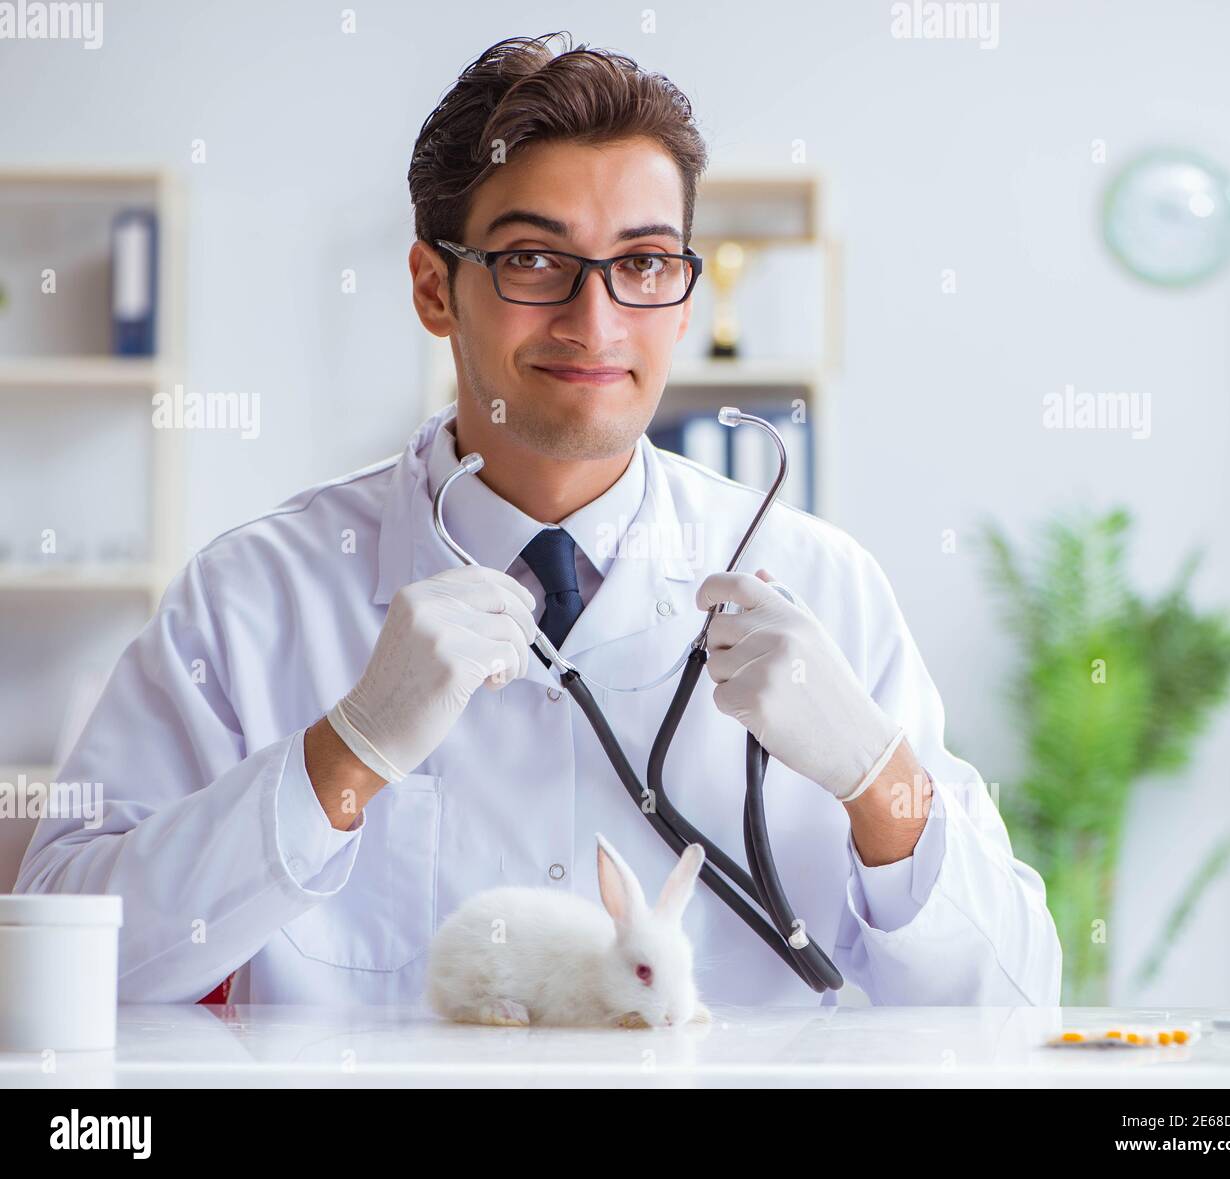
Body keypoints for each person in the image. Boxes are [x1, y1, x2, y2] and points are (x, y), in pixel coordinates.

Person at [17, 32, 1061, 1007]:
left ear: (686, 296)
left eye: (644, 262)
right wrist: (342, 756)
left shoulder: (821, 584)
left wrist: (879, 783)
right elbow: (62, 965)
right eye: (531, 258)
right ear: (434, 286)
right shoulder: (254, 595)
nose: (595, 321)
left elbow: (1015, 1005)